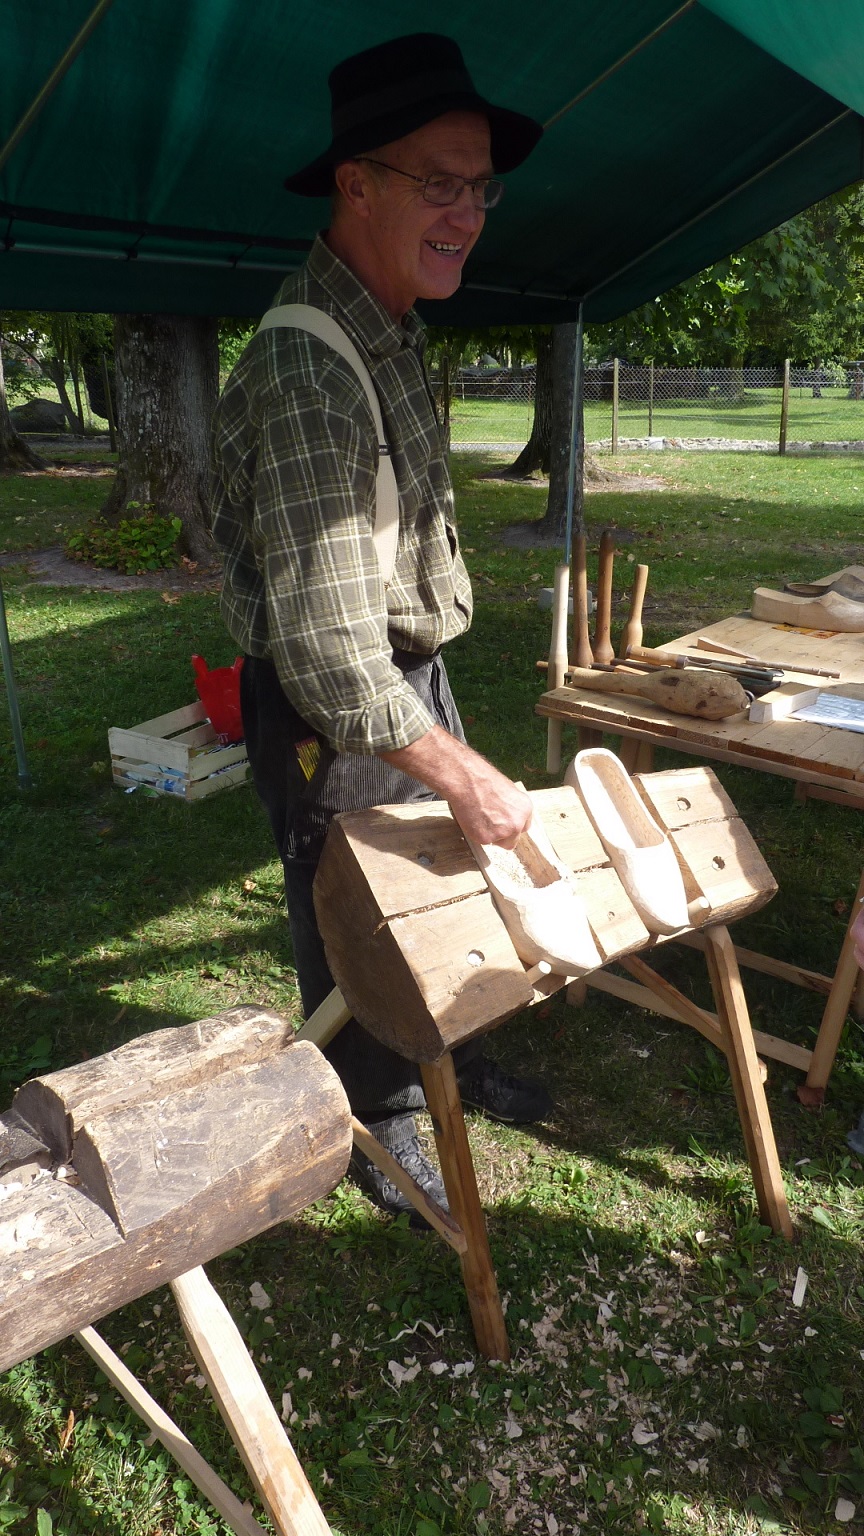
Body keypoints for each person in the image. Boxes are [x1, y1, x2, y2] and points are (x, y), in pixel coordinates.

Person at [209, 33, 551, 1225]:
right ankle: (383, 1117)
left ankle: (440, 1062)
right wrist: (459, 765)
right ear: (357, 180)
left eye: (480, 187)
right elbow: (327, 653)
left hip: (401, 664)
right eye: (437, 182)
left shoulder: (387, 322)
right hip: (334, 694)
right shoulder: (310, 365)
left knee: (442, 889)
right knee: (355, 919)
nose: (467, 212)